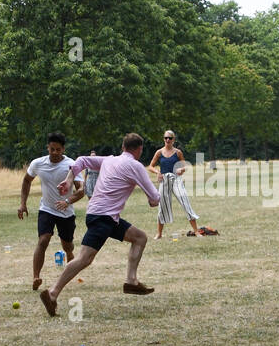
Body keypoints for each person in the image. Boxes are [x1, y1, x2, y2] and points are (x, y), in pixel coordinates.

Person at [39, 133, 160, 316]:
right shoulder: (136, 166)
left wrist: (70, 179)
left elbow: (81, 160)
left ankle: (131, 281)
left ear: (122, 147)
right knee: (84, 259)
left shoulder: (109, 160)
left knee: (139, 237)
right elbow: (154, 200)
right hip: (104, 217)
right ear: (139, 149)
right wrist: (159, 188)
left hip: (103, 216)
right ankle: (53, 292)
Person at [20, 132, 85, 290]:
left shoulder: (71, 165)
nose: (55, 153)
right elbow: (27, 180)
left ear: (63, 149)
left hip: (66, 212)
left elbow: (81, 190)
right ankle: (36, 277)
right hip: (47, 208)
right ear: (47, 148)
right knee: (43, 240)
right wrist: (23, 204)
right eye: (52, 149)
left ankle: (70, 260)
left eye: (58, 149)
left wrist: (67, 201)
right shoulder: (38, 163)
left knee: (67, 246)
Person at [148, 130, 199, 239]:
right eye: (166, 138)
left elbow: (184, 166)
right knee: (162, 206)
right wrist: (158, 172)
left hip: (176, 179)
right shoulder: (159, 152)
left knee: (185, 202)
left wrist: (182, 169)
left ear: (173, 140)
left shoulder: (178, 152)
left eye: (170, 138)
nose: (167, 140)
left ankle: (196, 231)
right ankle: (159, 234)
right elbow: (150, 166)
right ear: (163, 139)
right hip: (164, 180)